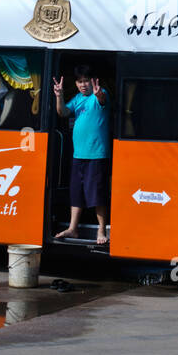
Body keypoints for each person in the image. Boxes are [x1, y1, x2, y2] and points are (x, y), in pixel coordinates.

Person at [53, 65, 110, 244]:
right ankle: (72, 229)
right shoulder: (77, 99)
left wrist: (98, 93)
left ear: (92, 81)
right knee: (76, 193)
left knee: (97, 194)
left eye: (86, 81)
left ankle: (101, 231)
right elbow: (62, 112)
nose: (83, 85)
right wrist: (59, 95)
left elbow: (102, 100)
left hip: (97, 155)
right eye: (80, 82)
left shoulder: (100, 95)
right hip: (79, 155)